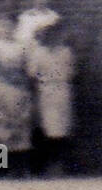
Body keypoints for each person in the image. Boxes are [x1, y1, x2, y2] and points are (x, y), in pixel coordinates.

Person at [26, 18, 75, 176]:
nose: (53, 37)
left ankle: (58, 165)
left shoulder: (66, 52)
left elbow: (71, 73)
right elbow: (32, 74)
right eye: (49, 34)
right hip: (45, 91)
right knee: (44, 128)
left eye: (56, 34)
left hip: (61, 91)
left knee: (61, 128)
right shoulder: (39, 52)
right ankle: (43, 165)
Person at [0, 37, 33, 175]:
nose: (13, 73)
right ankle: (0, 169)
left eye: (16, 70)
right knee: (1, 142)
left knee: (20, 143)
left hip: (20, 121)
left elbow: (28, 103)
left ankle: (19, 169)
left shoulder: (23, 87)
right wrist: (2, 118)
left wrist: (22, 117)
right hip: (3, 121)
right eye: (10, 69)